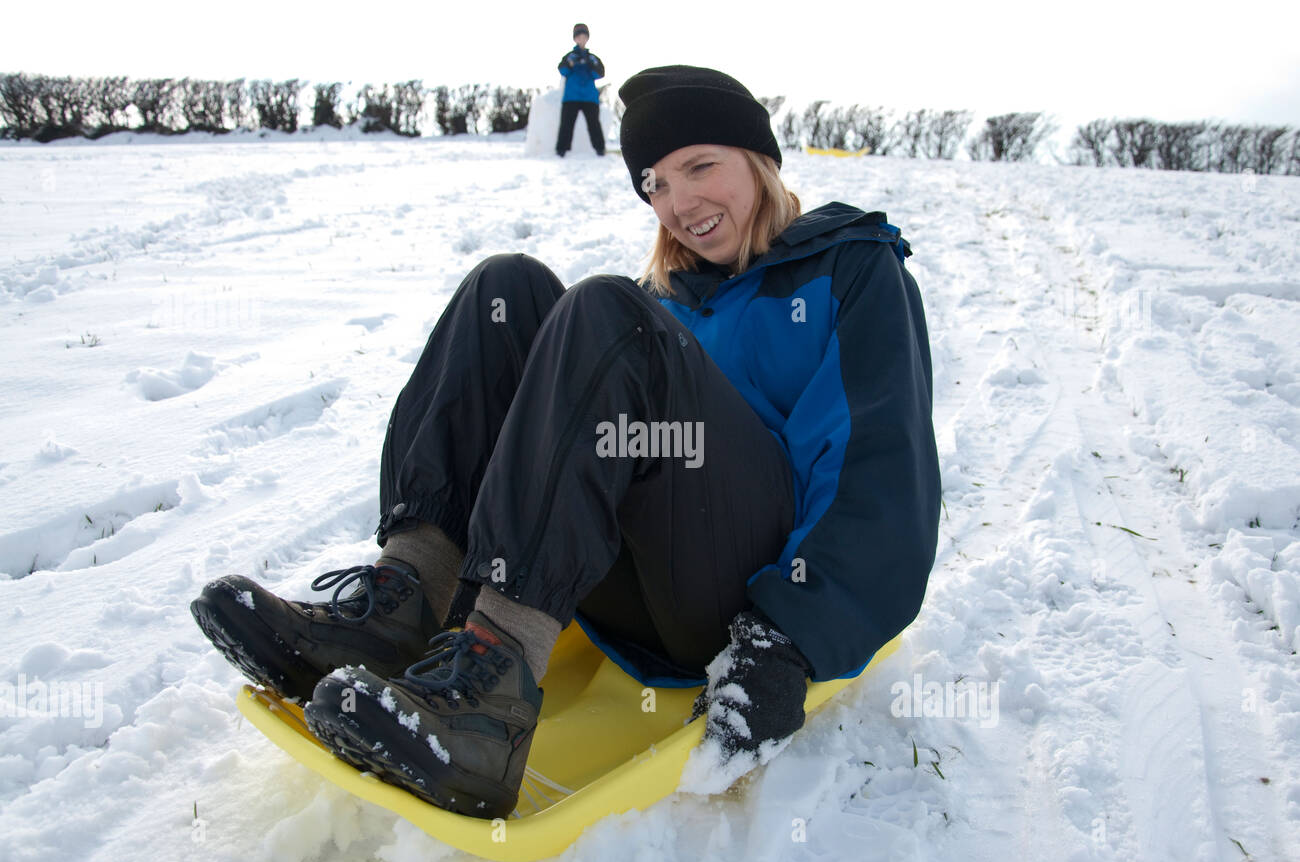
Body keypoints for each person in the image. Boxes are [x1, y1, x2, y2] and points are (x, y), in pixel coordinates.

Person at [191, 65, 940, 820]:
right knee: (506, 289)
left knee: (605, 313)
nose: (678, 204)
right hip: (629, 588)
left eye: (699, 167)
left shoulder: (849, 267)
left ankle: (486, 706)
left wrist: (789, 638)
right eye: (655, 183)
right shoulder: (664, 305)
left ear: (760, 161)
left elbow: (880, 468)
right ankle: (407, 606)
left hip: (745, 594)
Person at [555, 22, 605, 156]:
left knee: (594, 124)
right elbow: (562, 70)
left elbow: (600, 73)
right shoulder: (569, 57)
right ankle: (561, 150)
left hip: (589, 97)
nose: (581, 39)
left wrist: (590, 65)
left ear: (587, 38)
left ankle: (600, 149)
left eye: (584, 36)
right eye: (579, 37)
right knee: (566, 124)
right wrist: (571, 64)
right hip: (571, 96)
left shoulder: (592, 58)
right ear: (575, 39)